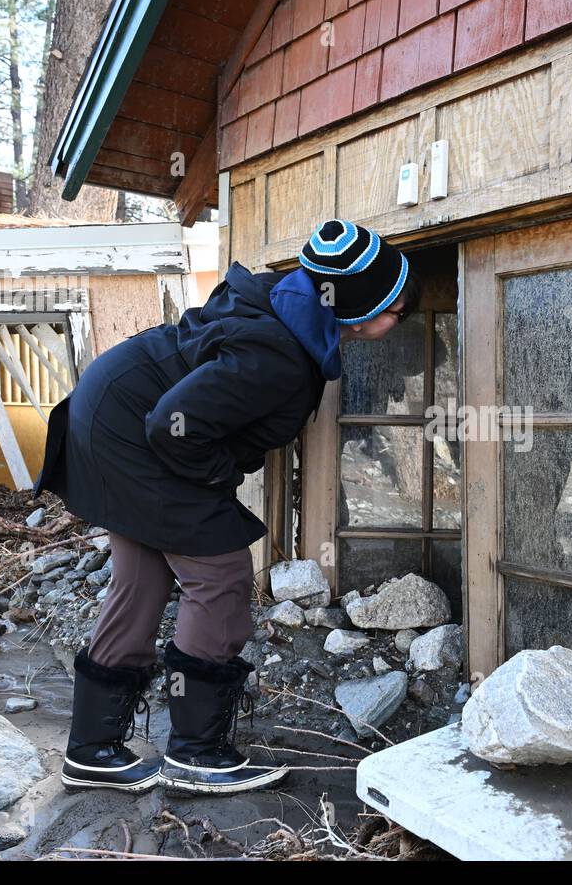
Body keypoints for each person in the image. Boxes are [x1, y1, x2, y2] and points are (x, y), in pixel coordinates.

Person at [34, 220, 420, 795]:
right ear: (364, 312)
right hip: (134, 434)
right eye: (400, 310)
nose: (402, 322)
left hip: (113, 409)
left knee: (140, 577)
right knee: (219, 574)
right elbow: (173, 426)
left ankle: (92, 751)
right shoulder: (279, 356)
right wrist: (216, 478)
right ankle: (196, 752)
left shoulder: (290, 306)